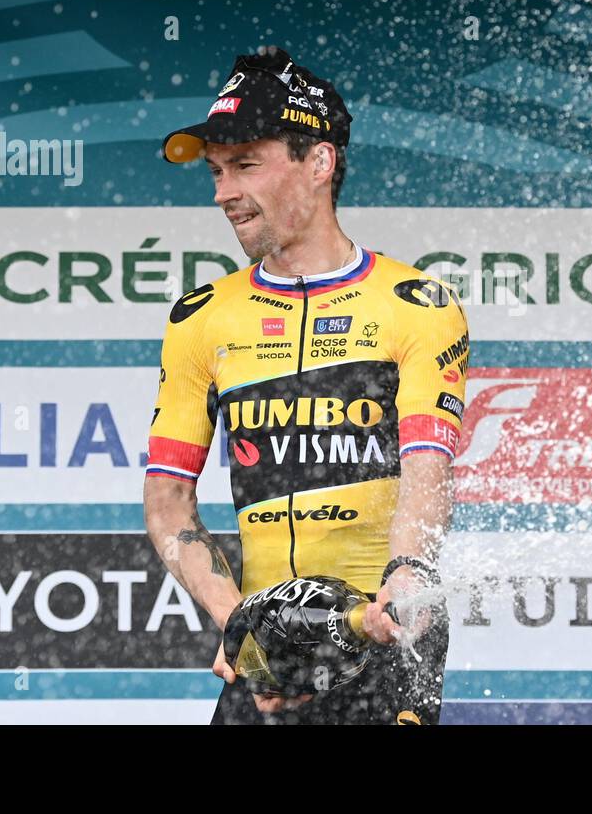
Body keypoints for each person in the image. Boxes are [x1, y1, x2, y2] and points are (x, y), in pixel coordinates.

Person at [142, 46, 468, 724]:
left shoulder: (417, 304)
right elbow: (168, 502)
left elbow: (426, 473)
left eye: (245, 166)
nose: (222, 193)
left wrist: (408, 575)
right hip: (264, 643)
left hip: (386, 635)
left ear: (318, 163)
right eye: (216, 171)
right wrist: (246, 630)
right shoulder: (200, 318)